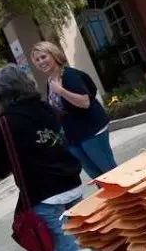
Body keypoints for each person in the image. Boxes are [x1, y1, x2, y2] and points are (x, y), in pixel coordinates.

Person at [0, 64, 82, 251]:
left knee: (69, 248)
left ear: (1, 93)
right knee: (86, 237)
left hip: (45, 194)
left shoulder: (6, 122)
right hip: (72, 181)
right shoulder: (46, 108)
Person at [31, 41, 117, 179]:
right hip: (72, 137)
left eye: (43, 57)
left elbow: (85, 102)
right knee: (97, 177)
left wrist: (61, 91)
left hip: (91, 130)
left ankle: (134, 198)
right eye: (37, 59)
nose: (41, 61)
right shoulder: (50, 81)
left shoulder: (70, 75)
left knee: (110, 172)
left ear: (53, 55)